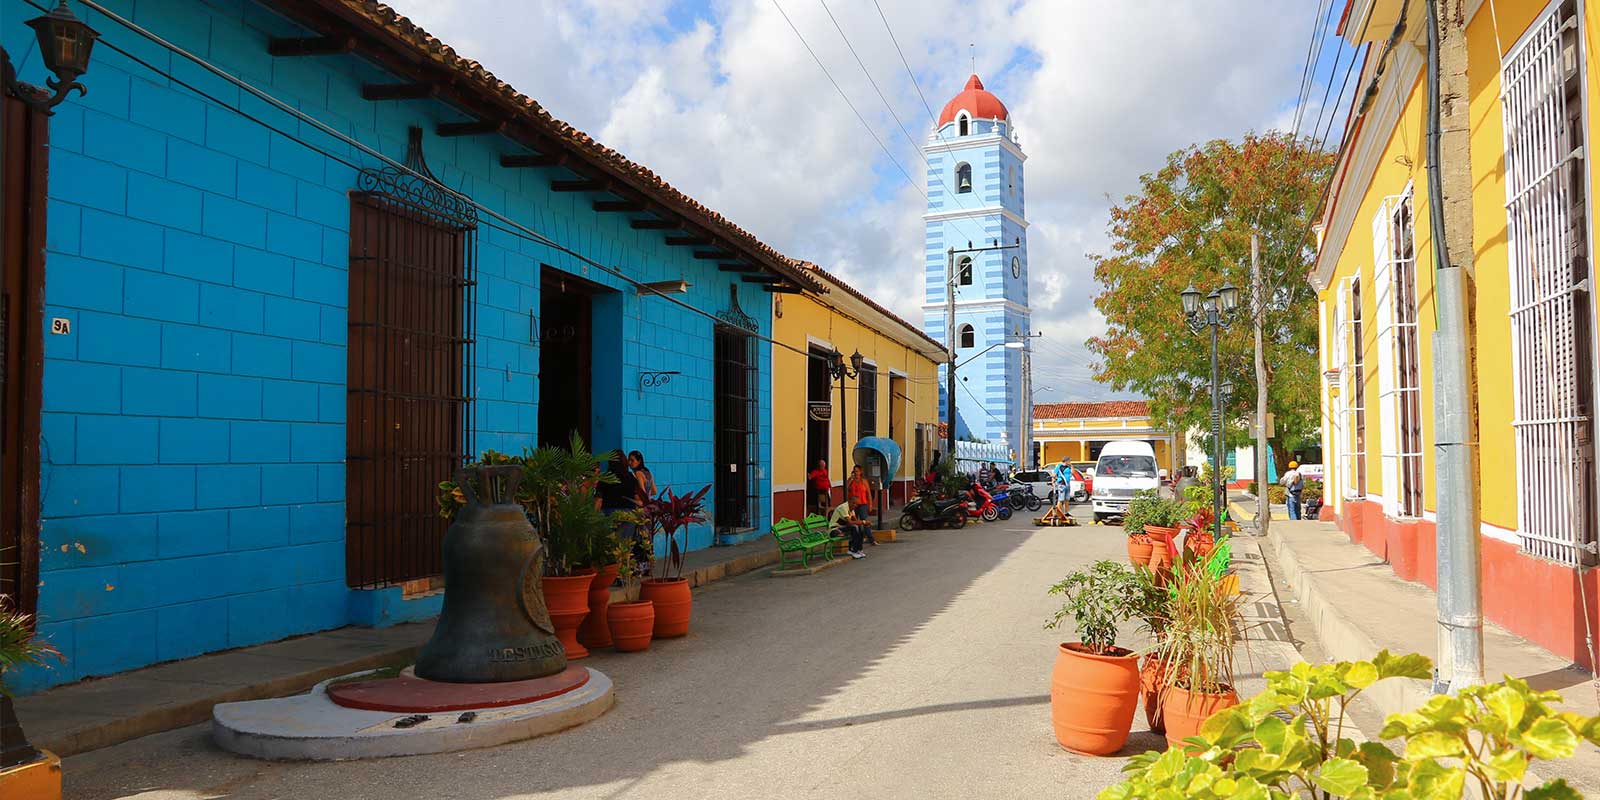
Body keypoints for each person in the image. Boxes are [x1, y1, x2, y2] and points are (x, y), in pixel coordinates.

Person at [846, 465, 876, 546]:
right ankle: (859, 538)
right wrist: (850, 480)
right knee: (855, 522)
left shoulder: (864, 481)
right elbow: (846, 489)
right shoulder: (851, 481)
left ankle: (871, 539)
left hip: (863, 504)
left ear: (860, 472)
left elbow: (868, 493)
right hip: (853, 505)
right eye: (854, 471)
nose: (856, 473)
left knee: (864, 521)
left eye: (857, 471)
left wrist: (870, 505)